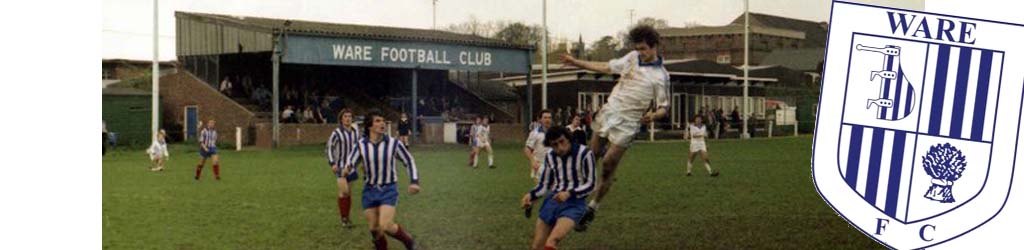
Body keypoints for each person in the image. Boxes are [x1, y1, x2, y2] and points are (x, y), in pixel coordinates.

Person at [559, 25, 670, 231]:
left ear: (655, 47)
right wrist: (575, 62)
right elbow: (606, 67)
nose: (640, 52)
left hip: (629, 122)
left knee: (609, 164)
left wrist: (653, 115)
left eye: (644, 48)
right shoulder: (631, 58)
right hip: (609, 112)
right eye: (637, 48)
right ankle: (575, 199)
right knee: (591, 157)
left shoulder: (661, 76)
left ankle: (593, 207)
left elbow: (664, 107)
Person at [341, 110, 420, 250]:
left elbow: (409, 160)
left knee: (386, 225)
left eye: (383, 120)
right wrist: (347, 170)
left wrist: (414, 181)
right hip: (369, 190)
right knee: (374, 228)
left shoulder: (394, 144)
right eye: (377, 121)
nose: (382, 123)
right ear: (369, 126)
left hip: (388, 188)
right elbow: (351, 162)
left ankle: (409, 242)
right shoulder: (361, 145)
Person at [520, 126, 596, 250]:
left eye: (562, 141)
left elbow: (591, 184)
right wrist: (531, 195)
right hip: (552, 201)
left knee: (552, 242)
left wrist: (569, 193)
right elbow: (545, 184)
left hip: (574, 204)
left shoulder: (585, 153)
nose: (560, 148)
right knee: (537, 246)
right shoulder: (550, 156)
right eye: (554, 145)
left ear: (568, 138)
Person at [326, 109, 361, 228]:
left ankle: (347, 217)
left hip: (351, 166)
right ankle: (344, 218)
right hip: (340, 167)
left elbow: (359, 147)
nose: (348, 118)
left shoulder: (356, 132)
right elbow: (329, 148)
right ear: (341, 119)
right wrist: (332, 163)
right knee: (344, 191)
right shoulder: (336, 132)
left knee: (349, 193)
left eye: (350, 116)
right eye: (345, 116)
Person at [524, 110, 553, 180]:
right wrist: (532, 161)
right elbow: (527, 149)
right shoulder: (535, 133)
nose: (547, 120)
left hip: (553, 166)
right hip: (540, 165)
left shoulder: (556, 133)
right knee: (541, 189)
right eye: (545, 118)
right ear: (540, 120)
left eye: (549, 118)